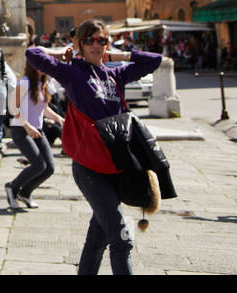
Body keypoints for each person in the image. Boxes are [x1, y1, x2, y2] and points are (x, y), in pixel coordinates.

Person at [26, 19, 162, 275]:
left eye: (101, 40)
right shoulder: (73, 72)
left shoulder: (115, 74)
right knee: (122, 240)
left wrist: (119, 53)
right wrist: (63, 52)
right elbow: (32, 53)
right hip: (90, 169)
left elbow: (154, 60)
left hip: (116, 167)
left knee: (98, 239)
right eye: (89, 40)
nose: (96, 45)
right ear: (80, 43)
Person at [3, 55, 63, 210]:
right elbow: (13, 106)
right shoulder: (24, 82)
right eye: (40, 65)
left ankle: (25, 193)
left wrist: (59, 119)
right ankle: (13, 187)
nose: (44, 68)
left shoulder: (43, 83)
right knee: (38, 165)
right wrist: (27, 126)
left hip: (38, 130)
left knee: (49, 168)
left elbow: (43, 108)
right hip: (21, 129)